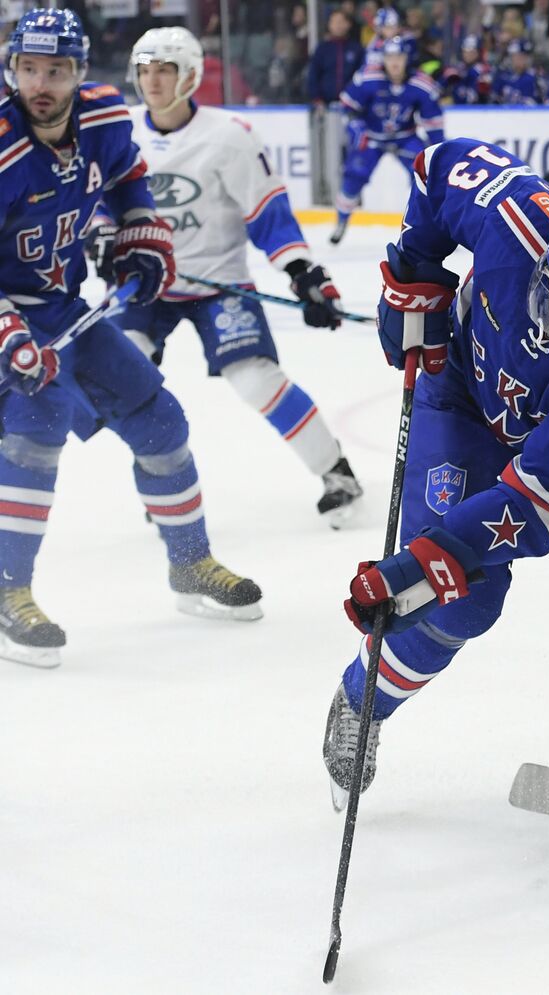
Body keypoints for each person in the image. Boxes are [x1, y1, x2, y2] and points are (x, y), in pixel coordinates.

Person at [320, 140, 549, 808]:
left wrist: (418, 562)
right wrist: (415, 271)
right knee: (459, 600)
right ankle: (362, 700)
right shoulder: (518, 217)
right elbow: (437, 167)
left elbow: (536, 504)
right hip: (461, 400)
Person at [0, 10, 261, 668]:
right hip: (9, 316)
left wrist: (139, 236)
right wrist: (7, 333)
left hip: (64, 307)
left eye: (55, 70)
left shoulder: (104, 118)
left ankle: (190, 563)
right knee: (37, 428)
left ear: (80, 72)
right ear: (11, 70)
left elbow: (126, 182)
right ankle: (7, 591)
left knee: (161, 421)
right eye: (28, 69)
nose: (40, 84)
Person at [90, 27, 363, 527]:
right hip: (145, 283)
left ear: (190, 76)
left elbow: (268, 214)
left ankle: (336, 472)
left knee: (255, 378)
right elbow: (97, 202)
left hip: (218, 283)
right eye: (145, 70)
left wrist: (304, 274)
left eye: (165, 70)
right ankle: (164, 481)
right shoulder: (119, 132)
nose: (152, 81)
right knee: (123, 377)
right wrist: (102, 237)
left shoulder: (229, 135)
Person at [331, 36, 444, 244]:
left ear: (407, 58)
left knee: (426, 176)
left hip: (405, 137)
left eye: (399, 57)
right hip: (372, 137)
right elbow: (347, 106)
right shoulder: (368, 78)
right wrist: (356, 126)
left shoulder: (421, 84)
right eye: (390, 57)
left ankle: (431, 226)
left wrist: (437, 148)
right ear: (382, 58)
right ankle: (341, 220)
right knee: (354, 175)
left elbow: (433, 122)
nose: (394, 62)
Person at [306, 8, 365, 108]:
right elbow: (313, 75)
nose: (338, 25)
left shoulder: (357, 49)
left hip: (352, 104)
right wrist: (317, 99)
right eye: (334, 22)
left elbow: (362, 75)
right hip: (324, 105)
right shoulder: (322, 49)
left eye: (341, 21)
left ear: (348, 24)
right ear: (329, 25)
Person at [362, 6, 415, 73]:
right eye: (387, 27)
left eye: (393, 27)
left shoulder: (407, 39)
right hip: (381, 75)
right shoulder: (376, 40)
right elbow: (368, 61)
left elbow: (410, 63)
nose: (390, 30)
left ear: (399, 26)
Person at [491, 37, 541, 104]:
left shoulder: (534, 78)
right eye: (516, 56)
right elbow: (494, 102)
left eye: (522, 57)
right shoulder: (502, 76)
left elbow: (539, 104)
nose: (519, 60)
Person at [446, 34, 491, 105]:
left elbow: (480, 96)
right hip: (457, 107)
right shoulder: (457, 68)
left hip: (477, 108)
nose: (467, 54)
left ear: (477, 52)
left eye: (471, 51)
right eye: (465, 51)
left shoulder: (483, 70)